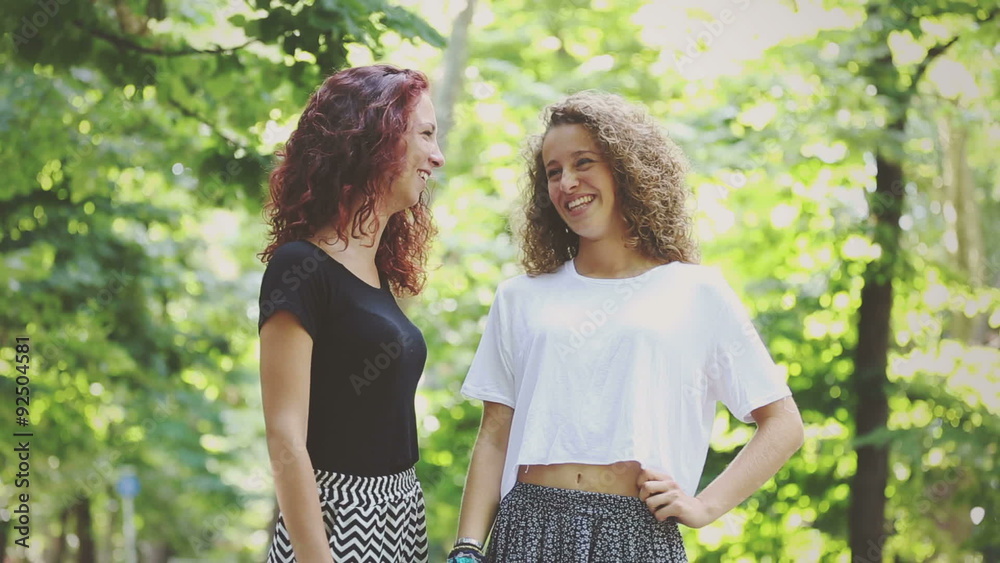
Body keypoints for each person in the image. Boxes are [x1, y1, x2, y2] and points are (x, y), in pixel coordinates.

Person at [449, 91, 804, 562]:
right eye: (553, 172)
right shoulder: (521, 297)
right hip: (526, 528)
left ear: (625, 167)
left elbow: (783, 424)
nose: (567, 182)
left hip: (637, 534)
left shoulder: (697, 292)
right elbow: (495, 433)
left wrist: (704, 507)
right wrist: (467, 548)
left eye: (583, 163)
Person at [257, 64, 444, 563]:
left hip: (401, 520)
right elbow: (285, 438)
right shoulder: (300, 267)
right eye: (425, 134)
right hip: (337, 522)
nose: (438, 156)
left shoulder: (375, 273)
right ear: (377, 138)